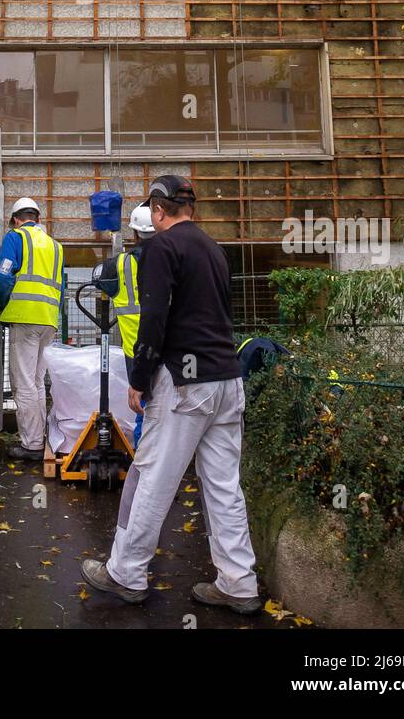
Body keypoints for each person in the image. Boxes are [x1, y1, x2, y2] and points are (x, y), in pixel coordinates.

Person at [81, 174, 260, 614]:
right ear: (191, 208)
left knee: (152, 479)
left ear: (159, 211)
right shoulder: (214, 250)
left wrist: (139, 381)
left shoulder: (161, 248)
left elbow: (154, 320)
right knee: (224, 487)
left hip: (185, 383)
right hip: (226, 379)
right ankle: (239, 583)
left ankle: (125, 573)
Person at [0, 196, 64, 461]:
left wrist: (3, 306)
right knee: (37, 382)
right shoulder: (55, 245)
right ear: (38, 218)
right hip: (48, 319)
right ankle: (38, 438)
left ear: (15, 219)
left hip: (24, 317)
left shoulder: (16, 237)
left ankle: (32, 444)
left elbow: (4, 274)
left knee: (23, 383)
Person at [110, 204, 154, 448]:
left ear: (135, 234)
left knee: (143, 406)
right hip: (165, 345)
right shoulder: (170, 257)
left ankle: (143, 458)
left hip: (134, 348)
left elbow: (102, 279)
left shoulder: (119, 264)